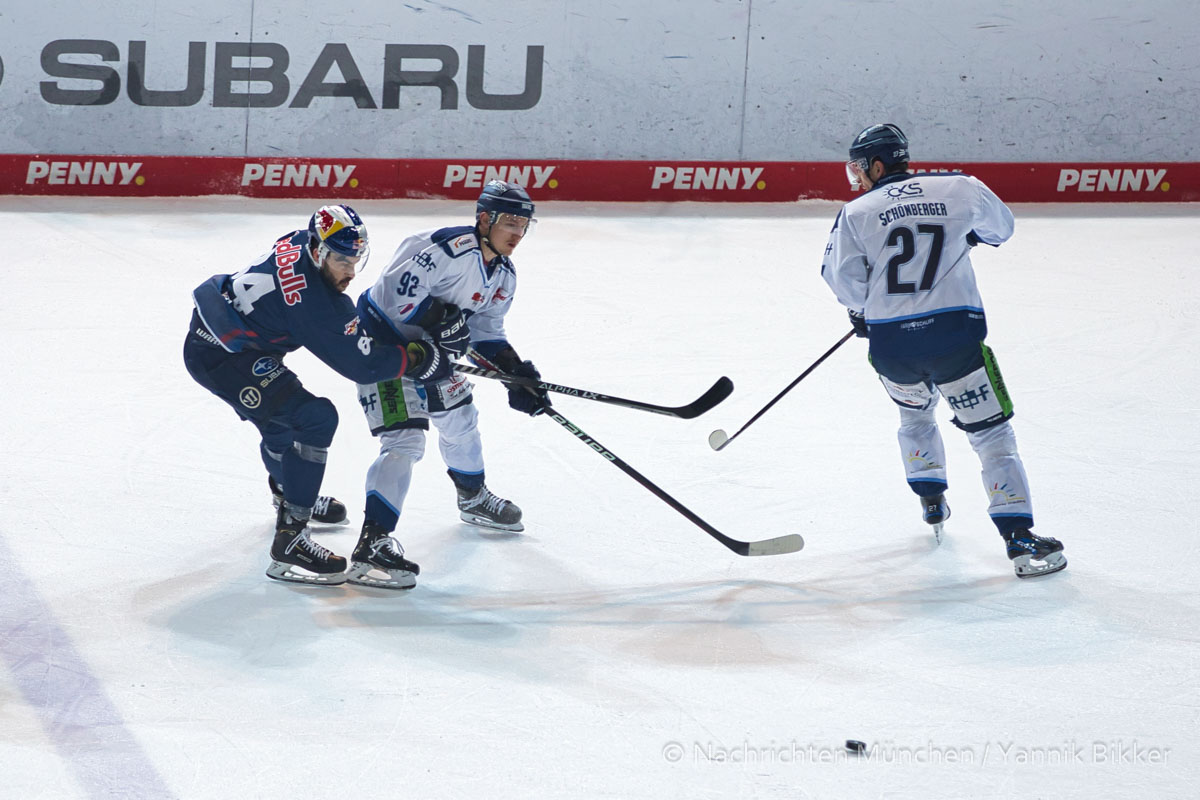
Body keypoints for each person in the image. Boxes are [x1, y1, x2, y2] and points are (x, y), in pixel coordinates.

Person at [820, 123, 1066, 578]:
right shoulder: (959, 187)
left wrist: (864, 310)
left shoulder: (856, 212)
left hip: (892, 348)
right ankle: (1019, 538)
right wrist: (970, 237)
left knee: (914, 415)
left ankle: (931, 499)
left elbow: (843, 282)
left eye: (860, 168)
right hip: (955, 341)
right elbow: (1001, 229)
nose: (857, 178)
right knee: (992, 437)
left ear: (877, 165)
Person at [183, 205, 447, 586]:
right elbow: (364, 366)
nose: (351, 271)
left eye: (356, 258)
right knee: (315, 418)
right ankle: (291, 538)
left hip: (224, 342)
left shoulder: (298, 240)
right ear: (319, 251)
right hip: (225, 359)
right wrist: (418, 358)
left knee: (280, 427)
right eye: (341, 259)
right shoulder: (315, 303)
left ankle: (291, 492)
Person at [349, 180, 550, 589]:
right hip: (384, 350)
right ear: (483, 219)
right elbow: (392, 299)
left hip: (433, 354)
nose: (517, 232)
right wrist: (443, 318)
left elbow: (485, 332)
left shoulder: (504, 276)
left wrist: (514, 373)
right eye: (509, 221)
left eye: (523, 224)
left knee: (462, 420)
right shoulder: (441, 248)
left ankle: (473, 497)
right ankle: (373, 542)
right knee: (405, 442)